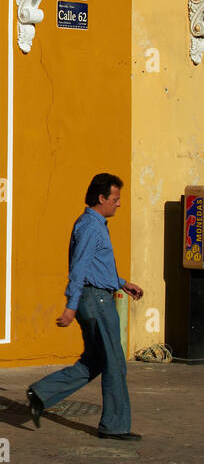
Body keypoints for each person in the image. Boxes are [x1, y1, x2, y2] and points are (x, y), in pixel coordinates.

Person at [26, 173, 143, 439]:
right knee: (115, 363)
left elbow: (95, 266)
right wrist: (71, 305)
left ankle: (42, 393)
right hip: (97, 302)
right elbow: (79, 268)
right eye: (115, 199)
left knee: (96, 360)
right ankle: (114, 426)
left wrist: (122, 282)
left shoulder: (94, 223)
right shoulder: (90, 226)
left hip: (97, 297)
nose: (119, 204)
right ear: (102, 198)